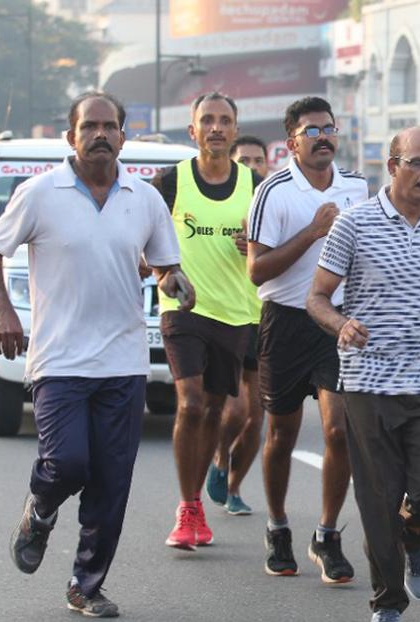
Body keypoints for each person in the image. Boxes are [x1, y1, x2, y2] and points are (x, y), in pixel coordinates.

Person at [0, 91, 192, 616]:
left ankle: (86, 584)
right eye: (90, 126)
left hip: (123, 361)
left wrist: (175, 281)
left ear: (123, 136)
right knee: (66, 463)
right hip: (58, 358)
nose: (100, 134)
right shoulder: (39, 193)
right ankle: (40, 509)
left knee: (111, 480)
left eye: (110, 126)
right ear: (72, 136)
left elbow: (163, 265)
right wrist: (3, 311)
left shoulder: (144, 199)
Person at [308, 126, 420, 622]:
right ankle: (387, 605)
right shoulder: (354, 224)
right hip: (368, 380)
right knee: (378, 497)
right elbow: (317, 297)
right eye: (418, 163)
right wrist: (341, 324)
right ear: (393, 165)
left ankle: (414, 537)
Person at [247, 96, 367, 582]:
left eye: (329, 129)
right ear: (292, 142)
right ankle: (277, 526)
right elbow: (257, 270)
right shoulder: (273, 191)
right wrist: (313, 232)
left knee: (340, 430)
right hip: (285, 321)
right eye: (311, 131)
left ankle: (327, 534)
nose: (323, 138)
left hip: (336, 322)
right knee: (281, 434)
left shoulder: (357, 186)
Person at [151, 93, 264, 548]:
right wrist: (163, 274)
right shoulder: (170, 181)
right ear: (192, 130)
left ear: (235, 130)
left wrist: (255, 246)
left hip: (235, 312)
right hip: (183, 309)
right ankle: (187, 507)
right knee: (191, 403)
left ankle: (196, 500)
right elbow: (145, 237)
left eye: (224, 120)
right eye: (208, 120)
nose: (216, 127)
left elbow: (274, 243)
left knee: (217, 411)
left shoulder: (256, 186)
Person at [204, 134, 272, 515]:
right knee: (236, 411)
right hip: (227, 313)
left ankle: (233, 487)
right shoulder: (222, 199)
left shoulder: (273, 199)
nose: (252, 166)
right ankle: (218, 458)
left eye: (258, 160)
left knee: (256, 418)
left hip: (265, 314)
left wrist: (262, 249)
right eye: (244, 160)